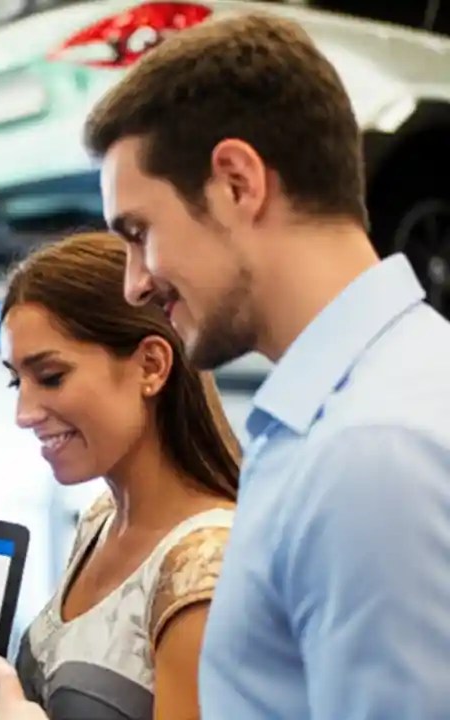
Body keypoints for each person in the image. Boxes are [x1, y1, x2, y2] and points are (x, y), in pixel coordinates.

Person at [83, 11, 450, 719]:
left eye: (139, 232)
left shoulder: (371, 449)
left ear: (236, 182)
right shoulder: (338, 415)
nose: (133, 283)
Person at [0, 231, 242, 720]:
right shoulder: (102, 519)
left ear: (151, 365)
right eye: (17, 381)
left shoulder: (208, 565)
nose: (23, 412)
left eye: (52, 377)